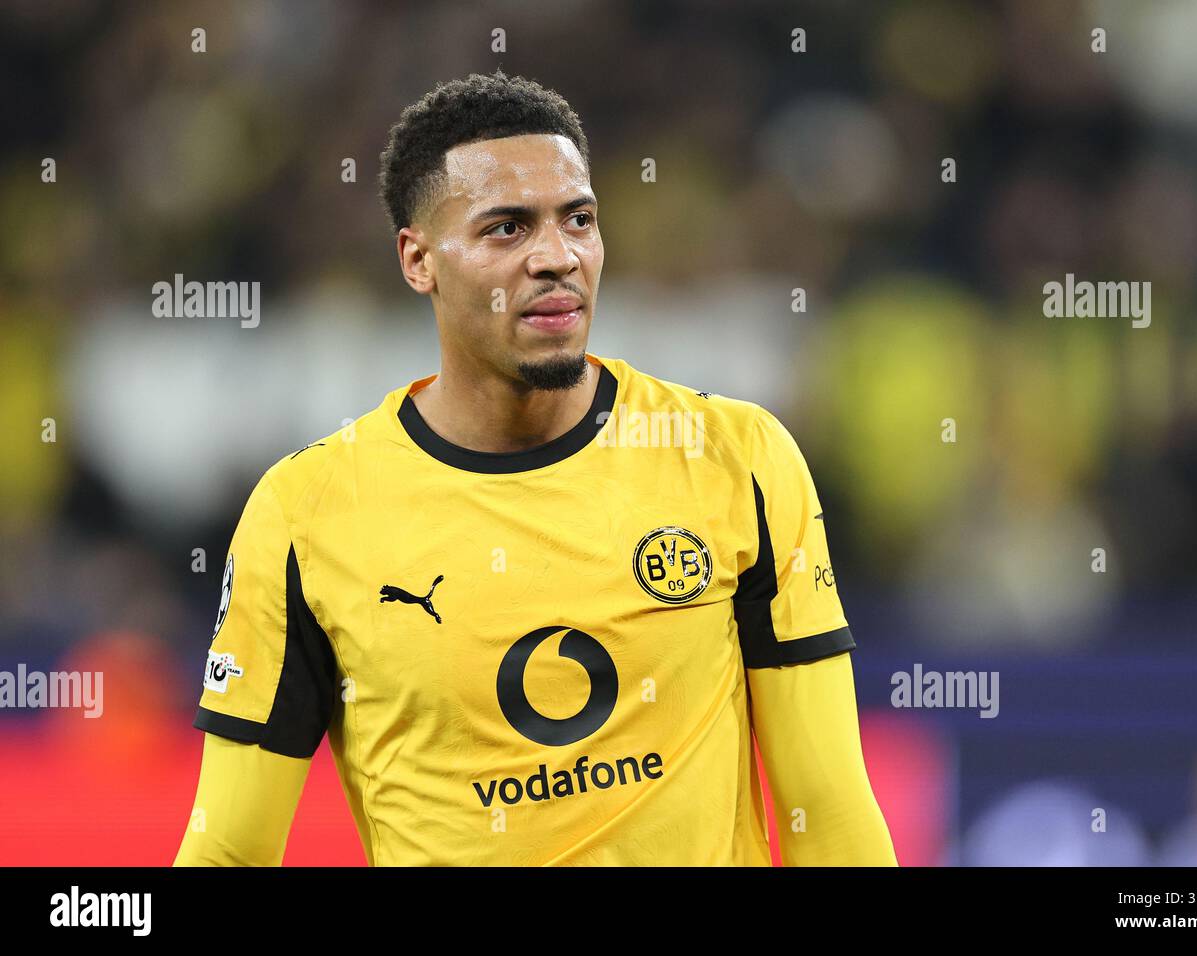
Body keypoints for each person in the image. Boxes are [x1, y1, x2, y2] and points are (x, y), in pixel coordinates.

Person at [174, 70, 896, 866]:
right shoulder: (306, 513)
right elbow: (230, 851)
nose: (557, 257)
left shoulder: (735, 456)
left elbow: (827, 813)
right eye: (507, 228)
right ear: (419, 262)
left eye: (577, 220)